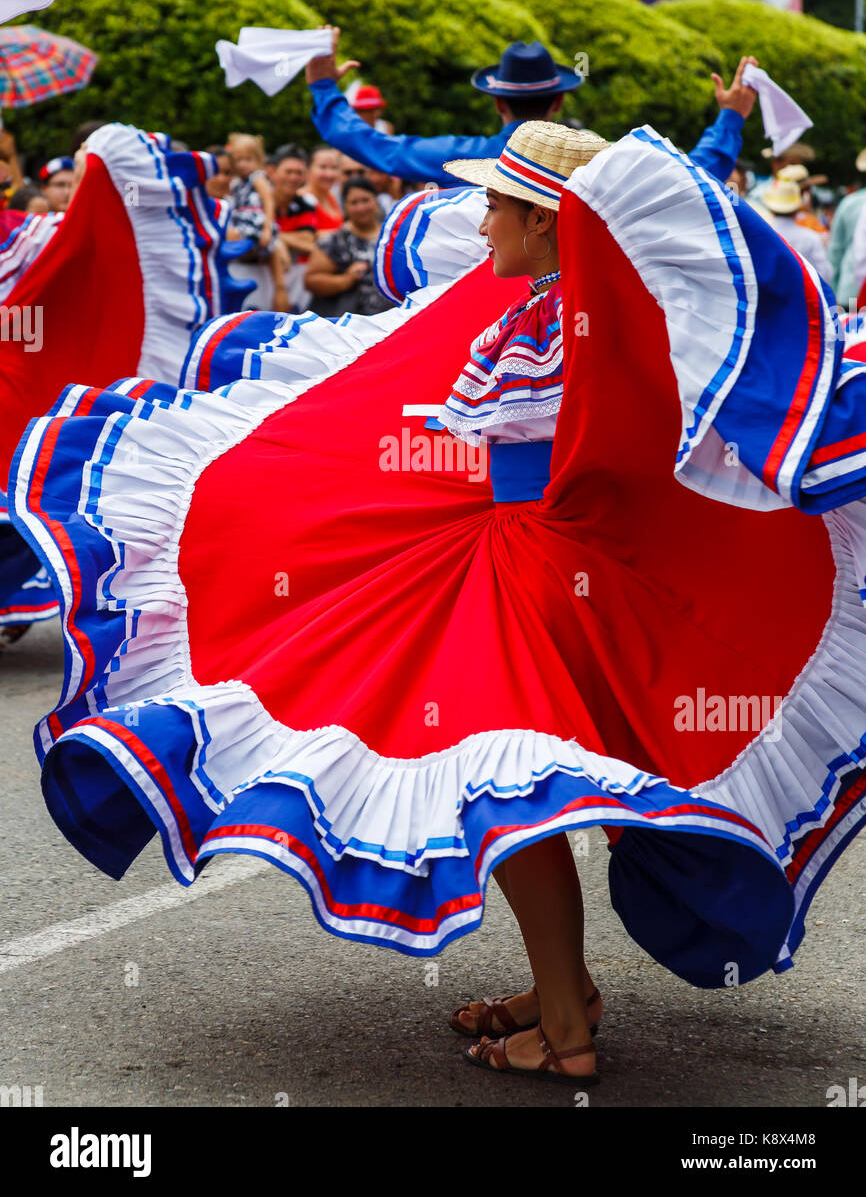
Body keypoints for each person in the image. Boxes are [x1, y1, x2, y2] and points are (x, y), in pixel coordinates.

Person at [18, 121, 866, 1095]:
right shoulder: (535, 304)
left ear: (550, 225)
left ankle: (562, 1023)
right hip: (511, 554)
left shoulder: (584, 319)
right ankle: (565, 993)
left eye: (499, 206)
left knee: (503, 784)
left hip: (535, 575)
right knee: (511, 791)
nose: (478, 225)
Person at [306, 27, 755, 188]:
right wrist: (730, 117)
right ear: (559, 101)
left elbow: (375, 147)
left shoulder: (464, 158)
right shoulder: (601, 163)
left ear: (497, 100)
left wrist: (325, 87)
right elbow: (693, 177)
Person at [304, 174, 390, 316]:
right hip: (351, 324)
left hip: (392, 320)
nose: (361, 208)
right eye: (354, 203)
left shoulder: (391, 235)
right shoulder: (334, 241)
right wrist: (345, 280)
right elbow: (311, 281)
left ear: (376, 200)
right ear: (345, 206)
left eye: (365, 200)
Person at [225, 132, 291, 312]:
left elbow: (269, 201)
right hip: (241, 222)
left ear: (258, 159)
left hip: (255, 223)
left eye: (248, 159)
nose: (243, 164)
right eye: (238, 160)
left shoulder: (258, 178)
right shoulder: (237, 182)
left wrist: (267, 228)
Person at [755, 177, 833, 284]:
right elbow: (825, 274)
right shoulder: (811, 237)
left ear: (771, 208)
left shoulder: (761, 237)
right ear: (797, 208)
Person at [270, 143, 317, 311]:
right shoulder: (256, 200)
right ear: (272, 171)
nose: (293, 178)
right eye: (288, 172)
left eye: (299, 173)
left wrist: (275, 238)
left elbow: (308, 242)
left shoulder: (306, 203)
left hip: (295, 284)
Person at [828, 149, 866, 306]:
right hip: (852, 292)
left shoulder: (849, 203)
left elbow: (835, 252)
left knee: (851, 330)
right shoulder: (849, 203)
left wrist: (831, 292)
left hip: (850, 292)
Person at [301, 144, 343, 234]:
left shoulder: (332, 197)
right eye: (323, 167)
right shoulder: (301, 200)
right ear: (308, 169)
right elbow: (306, 236)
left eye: (334, 167)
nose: (329, 174)